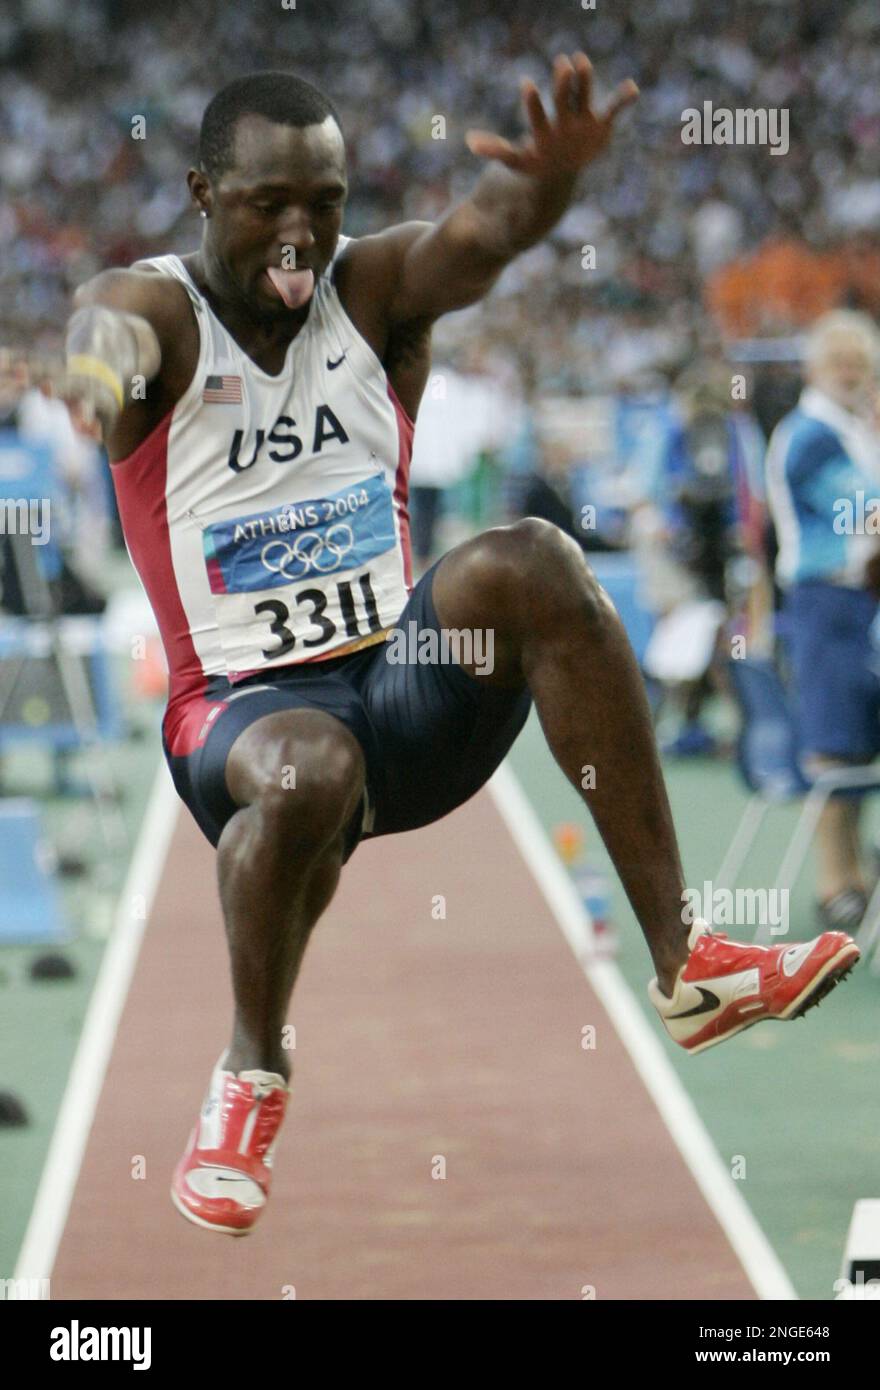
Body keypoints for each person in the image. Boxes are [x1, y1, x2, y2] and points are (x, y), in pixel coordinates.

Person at [60, 60, 858, 1237]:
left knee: (530, 559)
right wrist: (96, 354)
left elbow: (483, 230)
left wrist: (551, 185)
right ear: (200, 193)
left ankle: (689, 963)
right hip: (237, 720)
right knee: (306, 769)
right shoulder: (165, 316)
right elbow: (109, 316)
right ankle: (247, 1075)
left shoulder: (373, 289)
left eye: (324, 201)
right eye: (268, 201)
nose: (300, 231)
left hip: (401, 691)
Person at [766, 309, 880, 930]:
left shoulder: (851, 427)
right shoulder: (811, 433)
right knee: (835, 750)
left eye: (860, 361)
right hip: (826, 602)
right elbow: (862, 512)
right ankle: (835, 882)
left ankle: (856, 876)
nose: (853, 372)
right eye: (841, 361)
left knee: (857, 745)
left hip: (857, 602)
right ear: (816, 367)